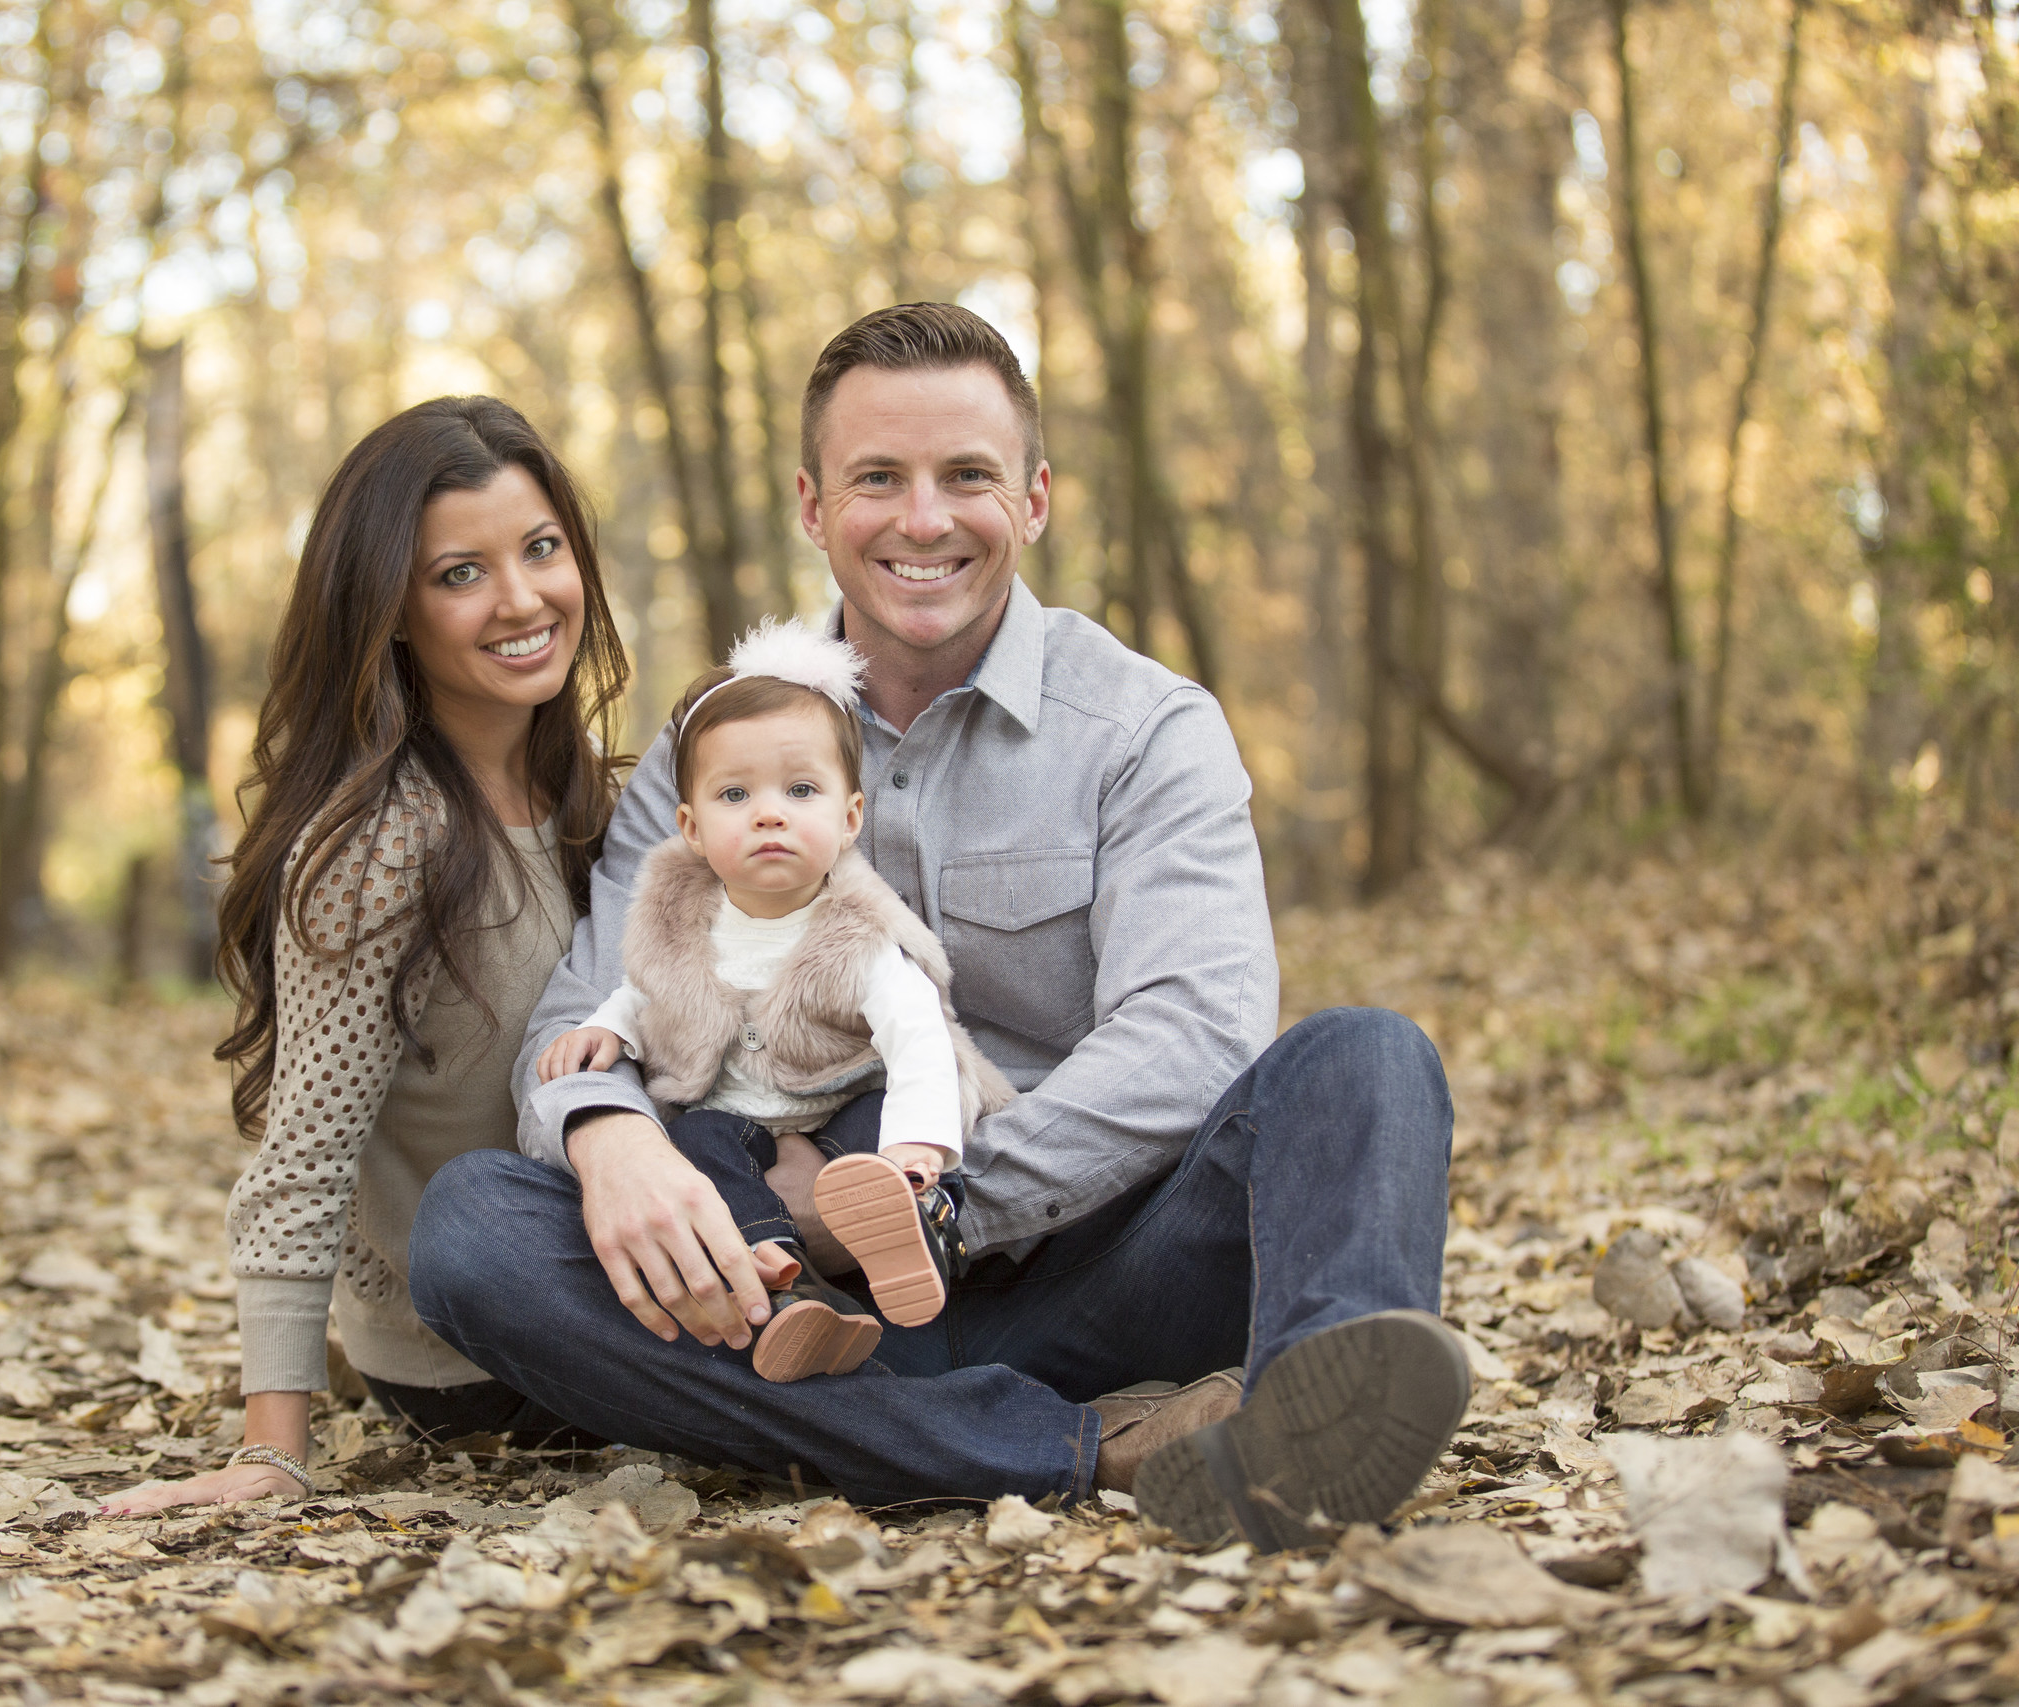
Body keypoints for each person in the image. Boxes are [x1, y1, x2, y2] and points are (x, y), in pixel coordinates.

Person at [409, 304, 1467, 1547]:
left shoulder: (1142, 727)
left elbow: (1193, 1035)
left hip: (1098, 1273)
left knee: (1367, 1058)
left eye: (966, 476)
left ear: (1032, 500)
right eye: (877, 479)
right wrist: (607, 1137)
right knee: (474, 1227)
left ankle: (1320, 1414)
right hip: (778, 1309)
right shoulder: (716, 748)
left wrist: (937, 1205)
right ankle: (1093, 1448)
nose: (923, 520)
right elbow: (577, 1022)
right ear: (813, 507)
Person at [100, 396, 630, 1516]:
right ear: (388, 607)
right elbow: (300, 1156)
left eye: (541, 549)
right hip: (483, 1338)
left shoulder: (589, 788)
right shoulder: (387, 843)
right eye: (459, 574)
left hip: (629, 1251)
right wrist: (271, 1449)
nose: (522, 598)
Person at [534, 619, 1012, 1382]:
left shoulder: (857, 935)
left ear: (850, 816)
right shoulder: (678, 918)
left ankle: (910, 1228)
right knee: (697, 1146)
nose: (769, 812)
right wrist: (604, 1029)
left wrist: (919, 1143)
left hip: (840, 1104)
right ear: (689, 827)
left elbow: (919, 1036)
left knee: (878, 1125)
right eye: (735, 794)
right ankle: (783, 1289)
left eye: (800, 790)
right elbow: (647, 987)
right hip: (740, 1118)